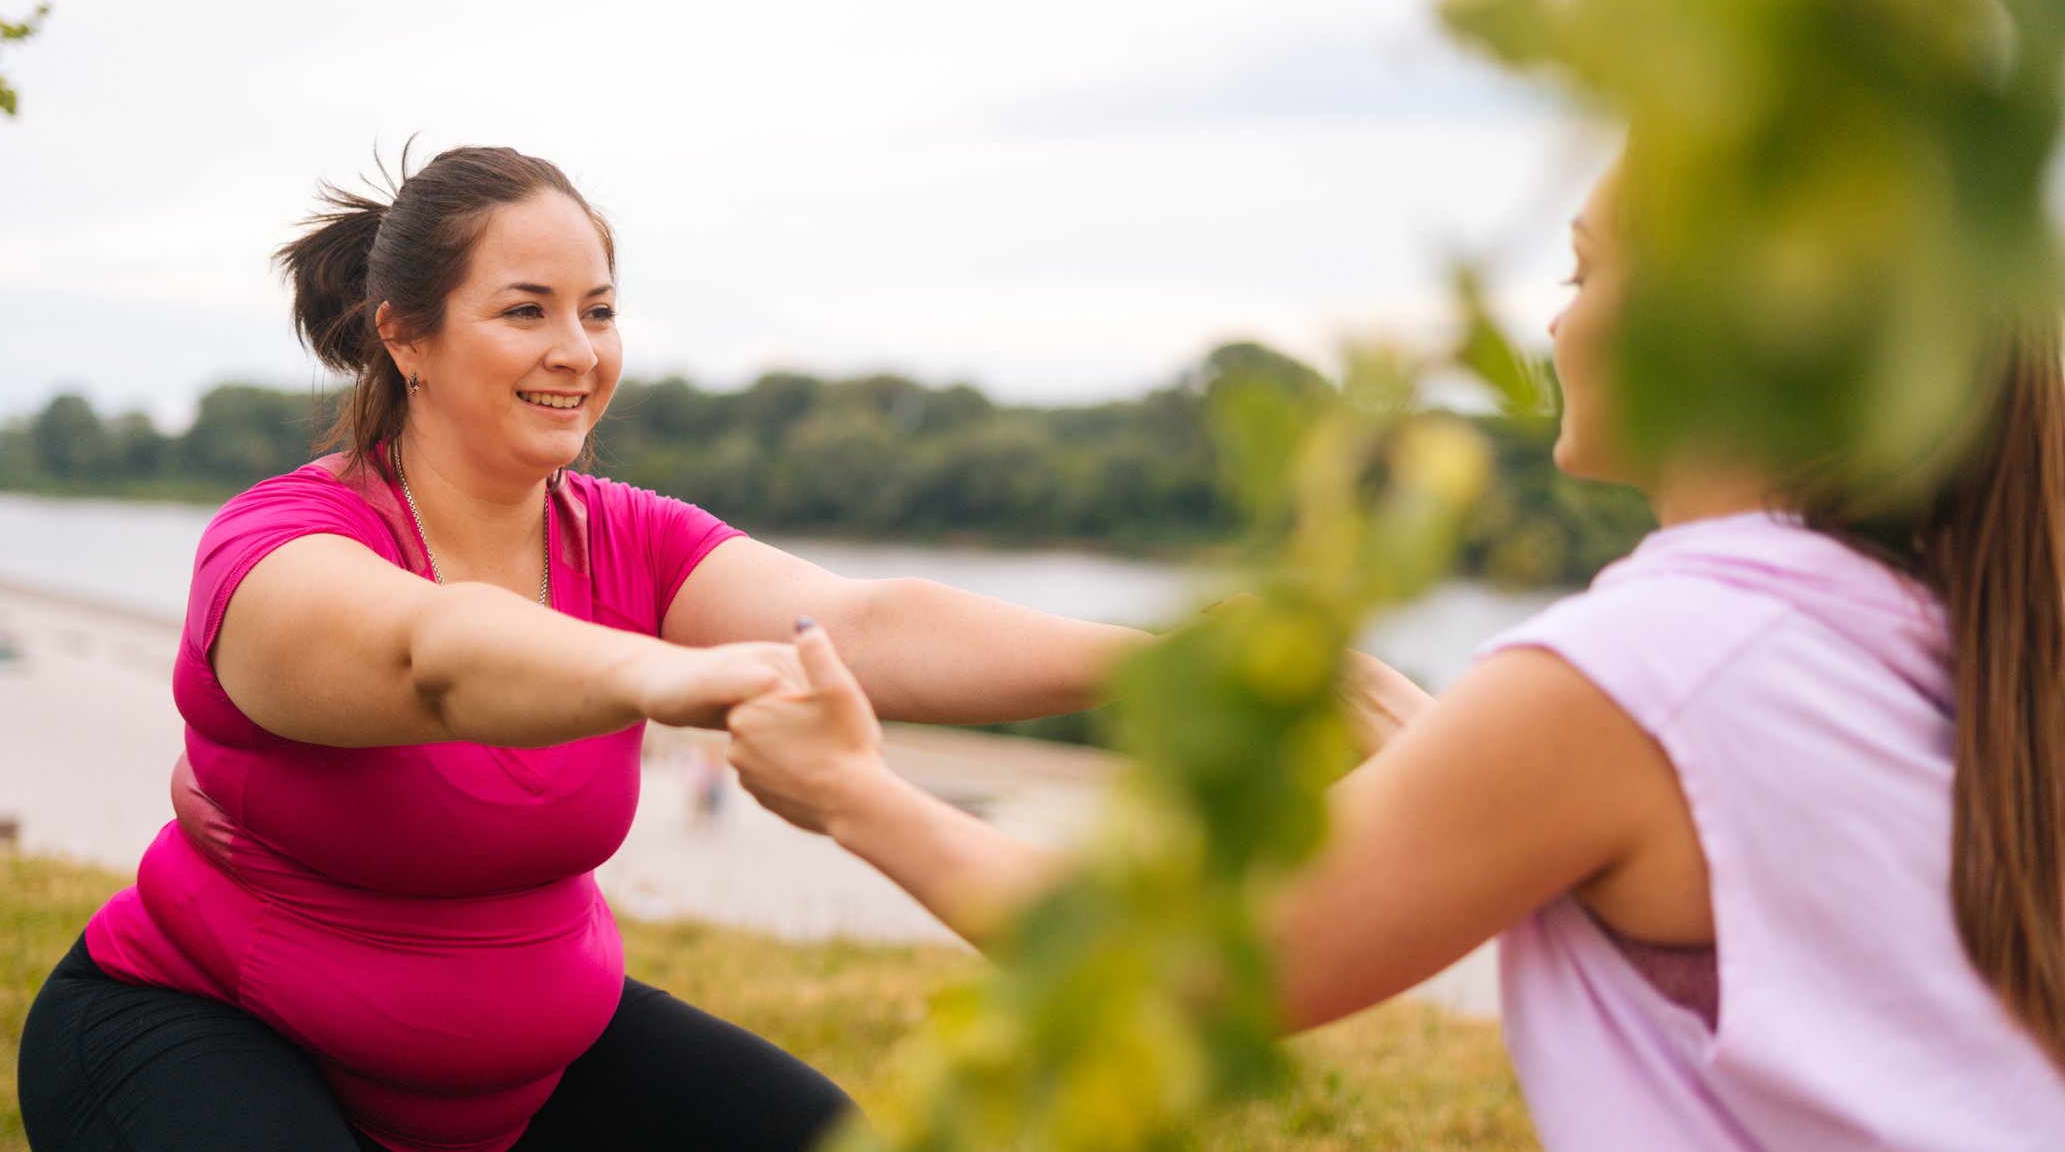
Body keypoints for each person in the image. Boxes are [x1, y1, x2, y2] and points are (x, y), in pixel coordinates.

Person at [724, 161, 2065, 1149]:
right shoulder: (1912, 612)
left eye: (1587, 273)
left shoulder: (1651, 663)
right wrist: (1448, 740)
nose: (1552, 321)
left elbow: (1183, 972)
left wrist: (854, 790)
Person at [15, 146, 1146, 1152]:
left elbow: (861, 626)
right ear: (403, 333)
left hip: (529, 1075)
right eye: (526, 311)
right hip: (203, 1027)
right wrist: (670, 672)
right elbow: (436, 654)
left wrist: (1171, 660)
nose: (578, 352)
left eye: (598, 312)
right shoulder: (279, 547)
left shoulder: (629, 537)